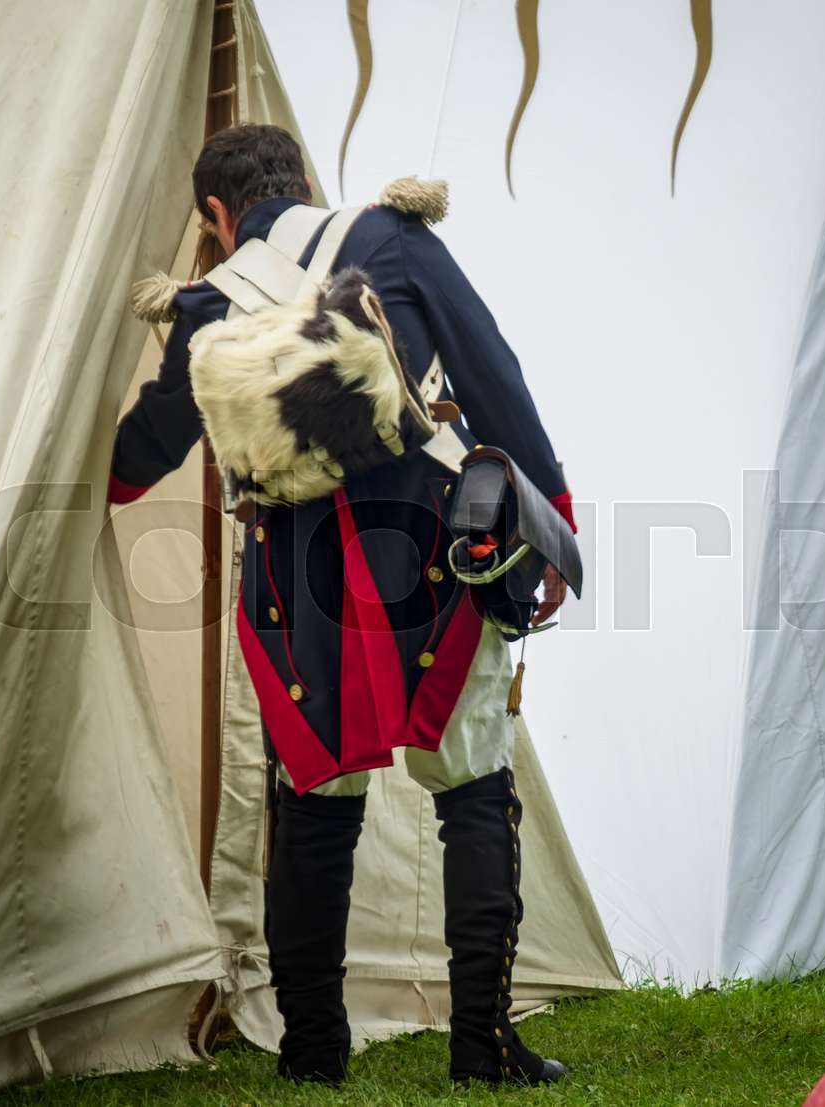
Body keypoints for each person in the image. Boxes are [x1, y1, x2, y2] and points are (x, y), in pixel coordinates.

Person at [109, 124, 575, 1087]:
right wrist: (555, 513)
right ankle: (483, 1048)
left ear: (216, 215)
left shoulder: (207, 301)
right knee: (475, 789)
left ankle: (313, 1050)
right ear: (305, 185)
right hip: (435, 562)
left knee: (315, 810)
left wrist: (74, 475)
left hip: (297, 593)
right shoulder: (393, 238)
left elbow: (153, 441)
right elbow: (494, 376)